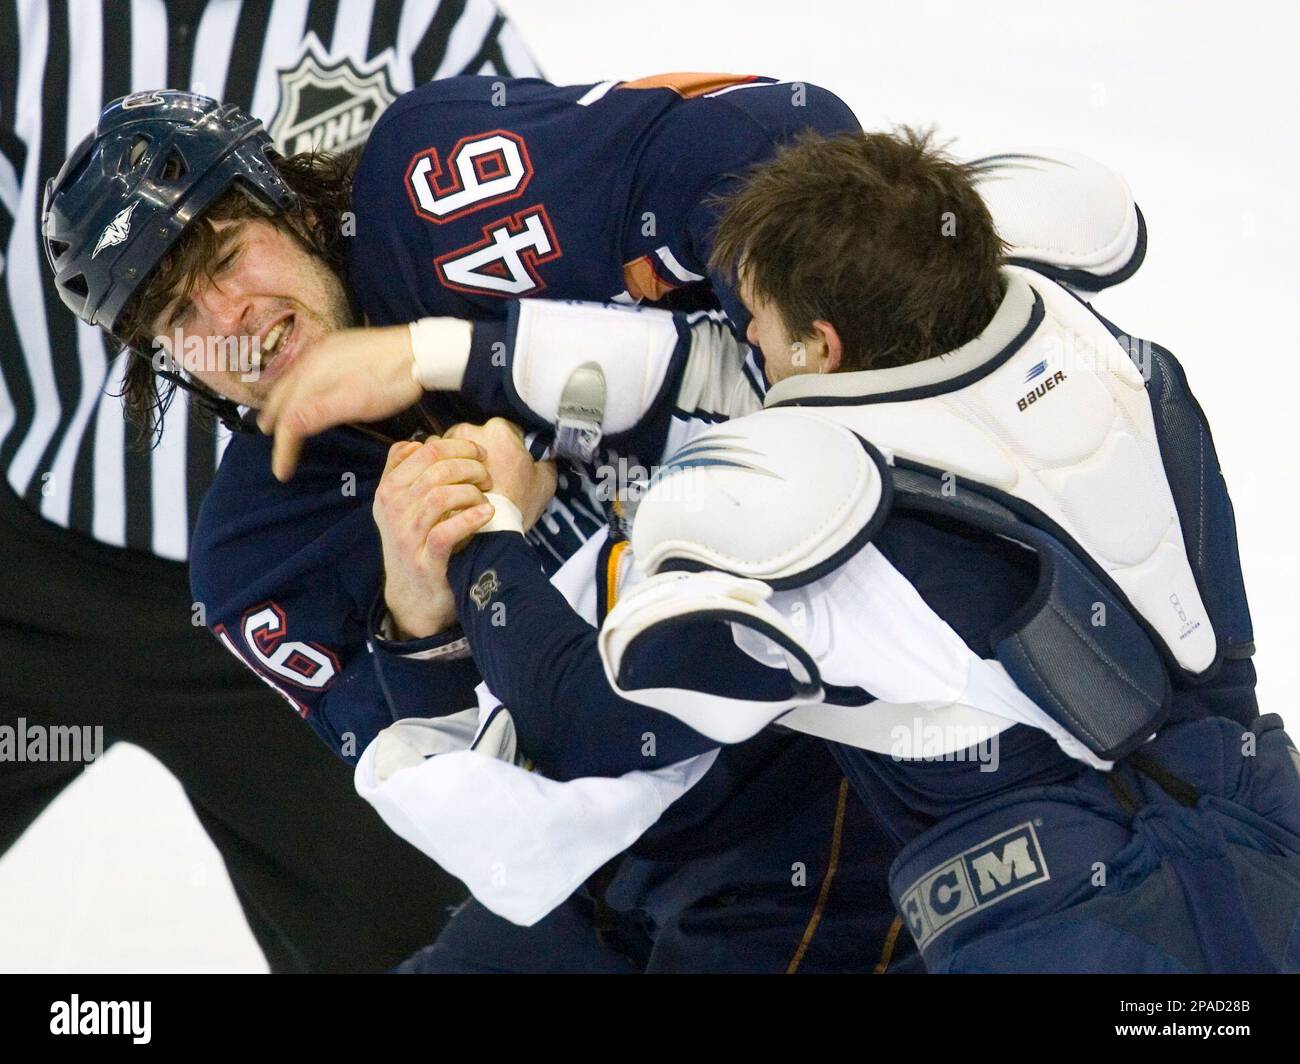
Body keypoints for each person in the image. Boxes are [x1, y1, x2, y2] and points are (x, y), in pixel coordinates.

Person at [44, 81, 917, 972]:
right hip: (608, 863)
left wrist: (767, 379)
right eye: (180, 317)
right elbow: (487, 826)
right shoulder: (254, 557)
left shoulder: (436, 190)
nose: (229, 321)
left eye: (227, 258)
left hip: (815, 757)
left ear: (292, 210)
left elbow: (792, 137)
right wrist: (420, 625)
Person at [559, 128, 1297, 972]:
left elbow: (576, 722)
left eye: (756, 320)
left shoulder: (840, 536)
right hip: (1274, 850)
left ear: (823, 346)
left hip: (1070, 938)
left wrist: (490, 537)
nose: (749, 344)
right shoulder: (1109, 364)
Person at [3, 0, 540, 972]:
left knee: (415, 939)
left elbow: (521, 268)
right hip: (29, 580)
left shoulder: (425, 23)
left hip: (305, 583)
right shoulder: (33, 25)